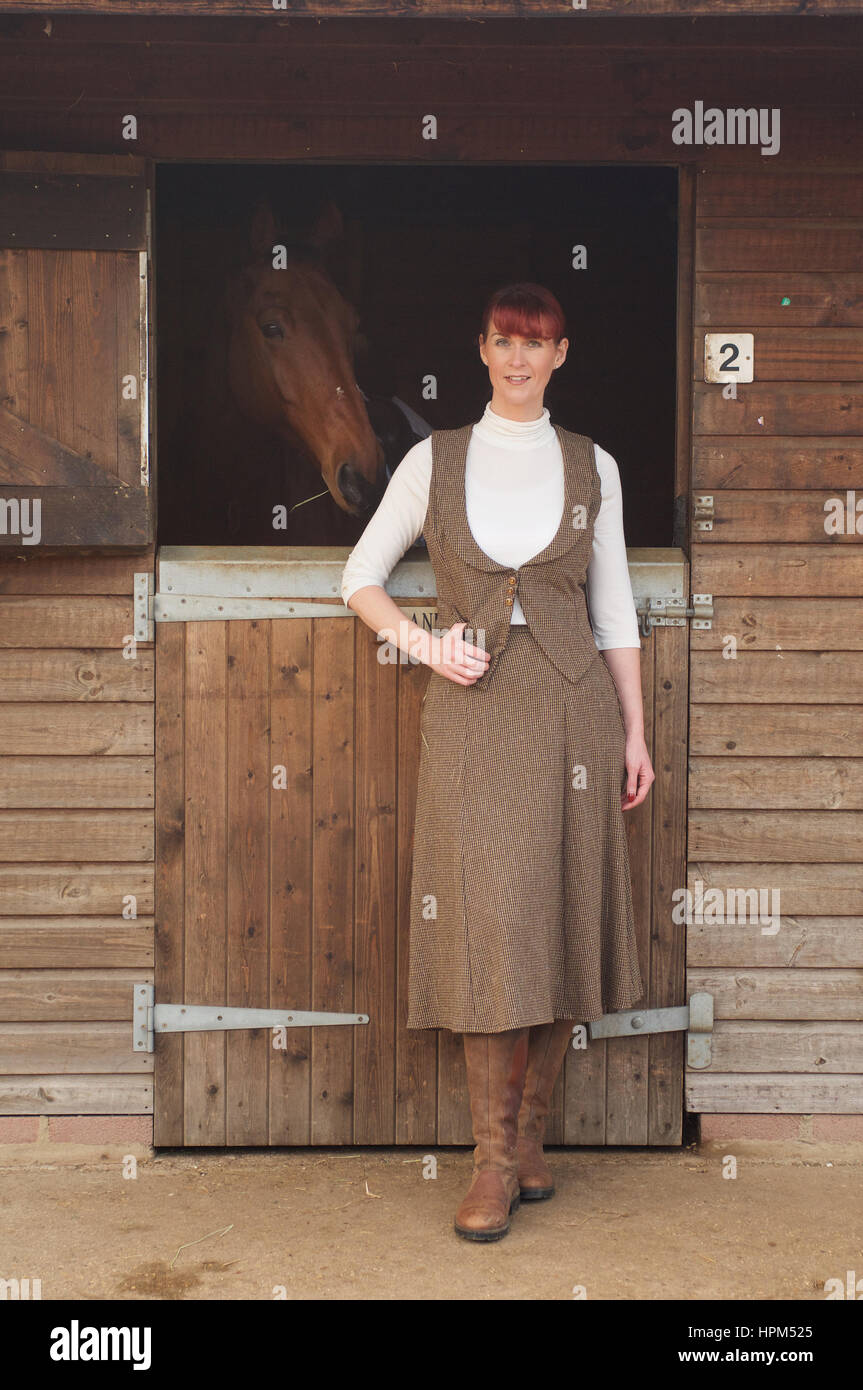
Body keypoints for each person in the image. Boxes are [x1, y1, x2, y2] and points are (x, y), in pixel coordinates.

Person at [342, 282, 655, 1242]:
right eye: (503, 343)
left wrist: (635, 732)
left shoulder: (591, 464)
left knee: (559, 914)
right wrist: (427, 645)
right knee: (489, 924)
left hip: (573, 712)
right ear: (480, 350)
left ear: (561, 355)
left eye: (538, 344)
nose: (519, 360)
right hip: (474, 716)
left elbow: (614, 612)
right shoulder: (430, 462)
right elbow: (358, 578)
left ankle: (527, 1145)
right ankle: (487, 1163)